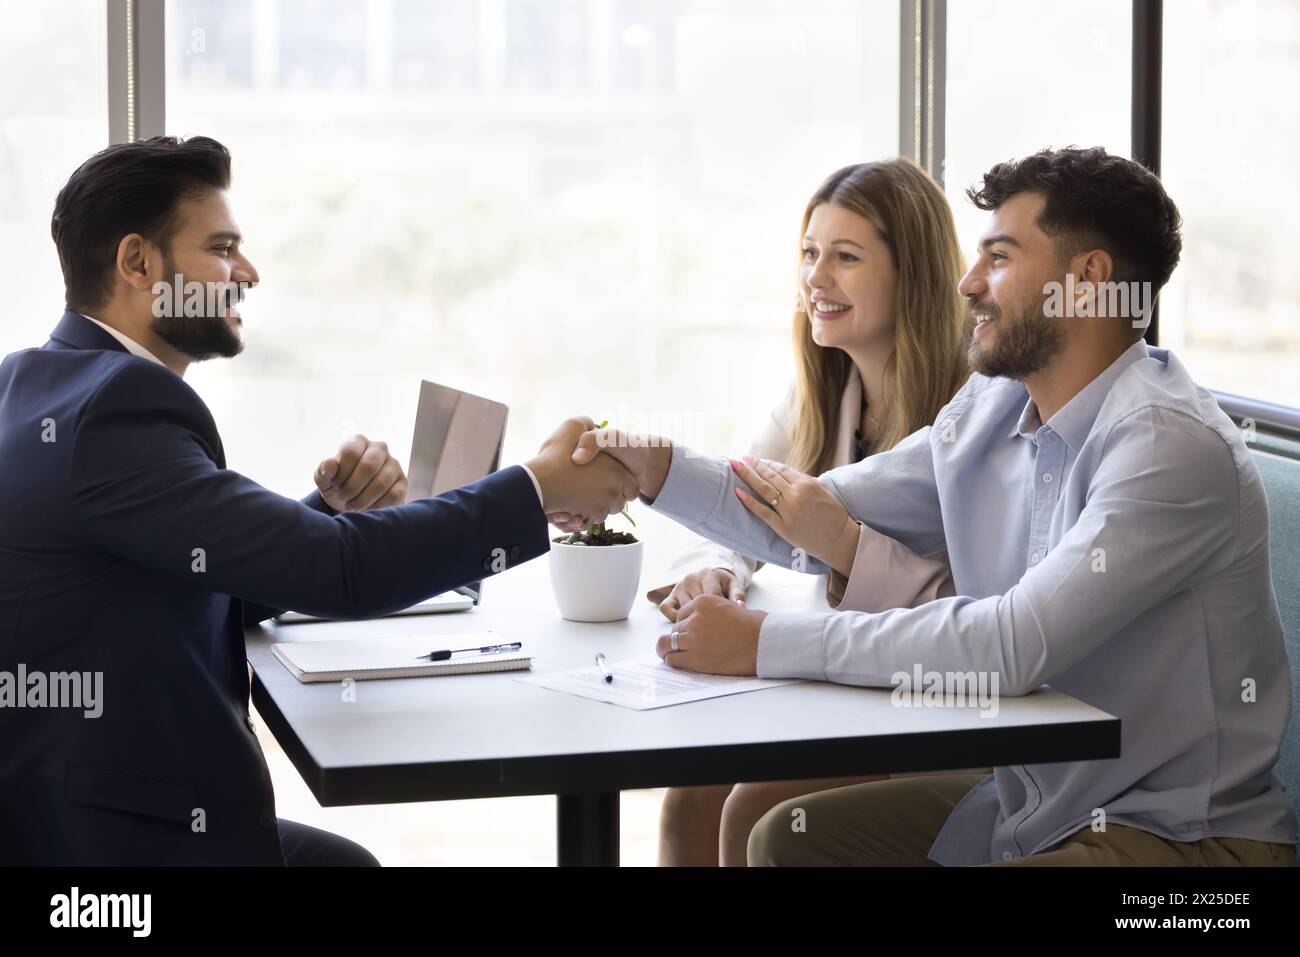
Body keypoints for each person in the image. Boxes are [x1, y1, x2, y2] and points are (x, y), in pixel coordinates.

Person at [570, 147, 1296, 866]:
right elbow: (810, 508)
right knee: (783, 839)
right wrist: (650, 467)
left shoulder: (1168, 447)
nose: (969, 283)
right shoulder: (995, 403)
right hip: (1030, 803)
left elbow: (1010, 644)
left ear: (1089, 280)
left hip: (1181, 839)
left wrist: (760, 641)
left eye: (1000, 259)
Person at [0, 135, 638, 866]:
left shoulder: (36, 383)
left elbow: (189, 583)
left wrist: (327, 509)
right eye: (223, 248)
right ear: (139, 262)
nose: (249, 272)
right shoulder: (119, 408)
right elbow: (344, 571)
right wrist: (541, 485)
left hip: (58, 817)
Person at [643, 159, 974, 866]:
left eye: (846, 257)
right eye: (809, 254)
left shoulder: (973, 408)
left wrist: (843, 544)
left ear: (910, 274)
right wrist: (714, 568)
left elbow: (966, 599)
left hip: (933, 700)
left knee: (755, 806)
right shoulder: (821, 393)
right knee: (688, 796)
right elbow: (739, 503)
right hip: (837, 687)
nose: (816, 278)